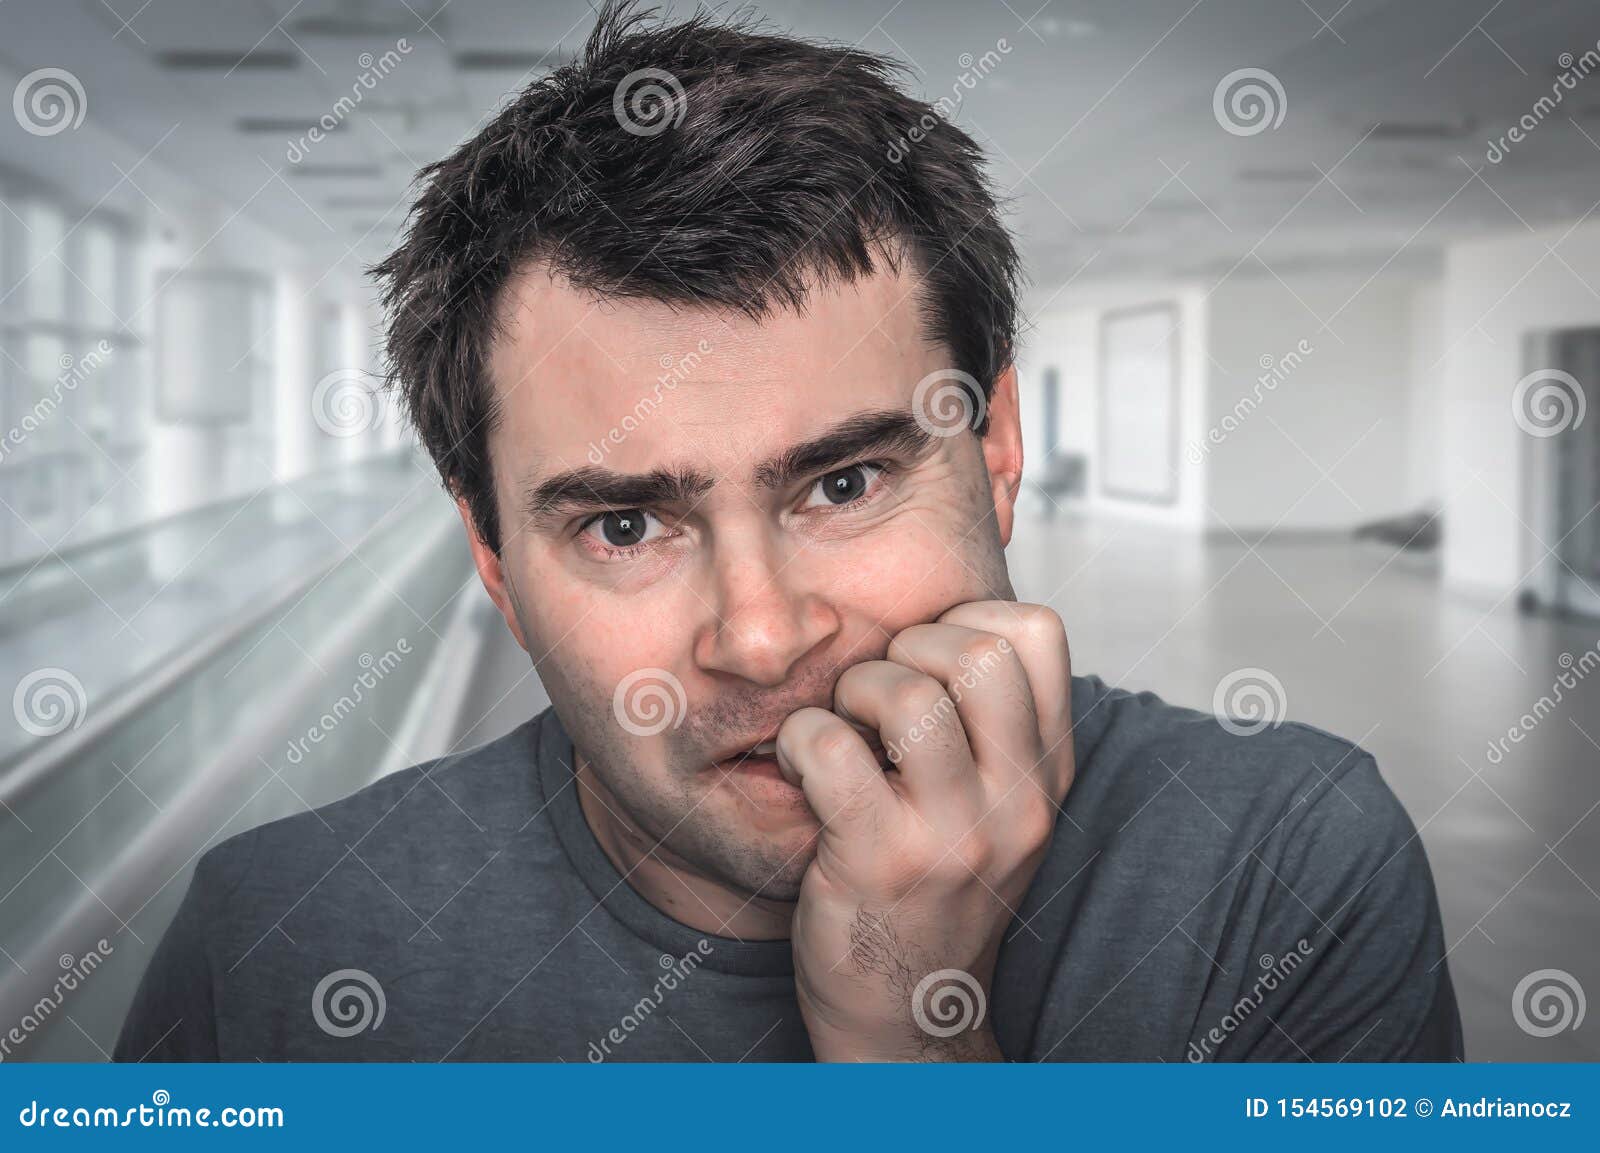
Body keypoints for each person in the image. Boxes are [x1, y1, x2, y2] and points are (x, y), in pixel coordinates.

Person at [115, 0, 1461, 1062]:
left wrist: (907, 1033)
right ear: (492, 563)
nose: (762, 637)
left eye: (845, 482)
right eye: (627, 521)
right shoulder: (280, 944)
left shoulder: (1289, 863)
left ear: (993, 454)